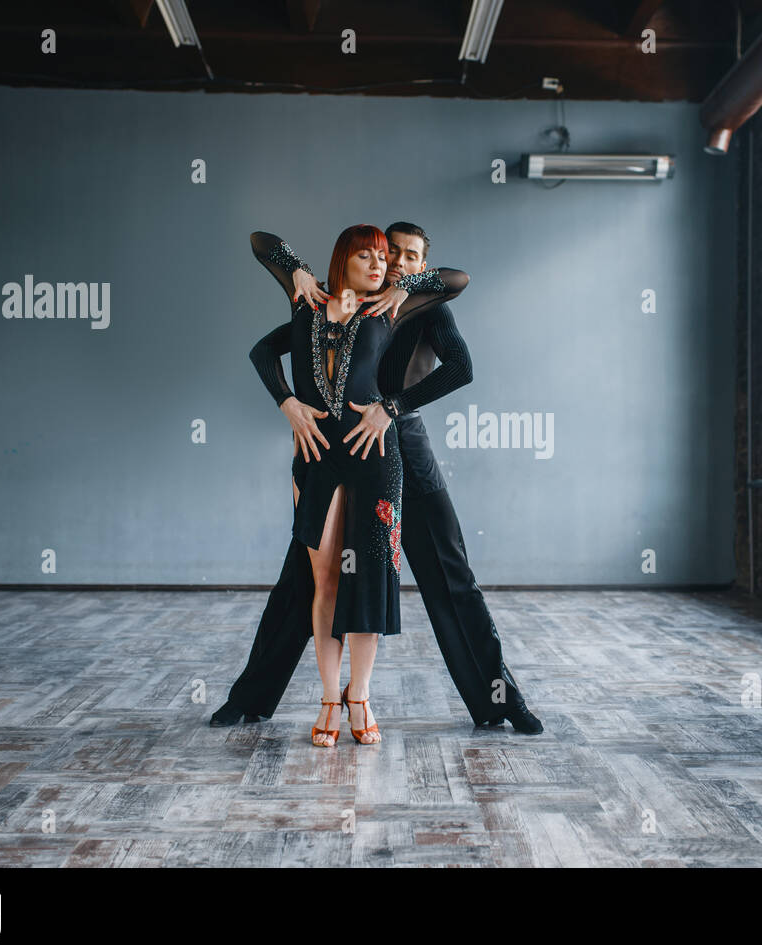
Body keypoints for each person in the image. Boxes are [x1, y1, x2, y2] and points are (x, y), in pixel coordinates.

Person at [213, 223, 541, 734]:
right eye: (396, 256)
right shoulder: (349, 301)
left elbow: (460, 365)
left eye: (414, 258)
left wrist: (394, 401)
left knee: (451, 576)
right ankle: (252, 698)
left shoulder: (426, 305)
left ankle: (499, 699)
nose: (401, 264)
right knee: (304, 583)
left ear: (422, 265)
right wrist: (297, 274)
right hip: (342, 452)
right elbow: (280, 336)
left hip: (402, 445)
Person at [244, 224, 467, 746]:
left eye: (384, 257)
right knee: (324, 581)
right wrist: (287, 401)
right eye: (367, 256)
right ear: (343, 258)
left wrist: (408, 285)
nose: (378, 265)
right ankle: (327, 699)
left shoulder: (388, 308)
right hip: (316, 457)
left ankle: (360, 696)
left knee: (368, 577)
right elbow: (260, 246)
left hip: (374, 456)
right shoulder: (306, 304)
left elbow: (458, 280)